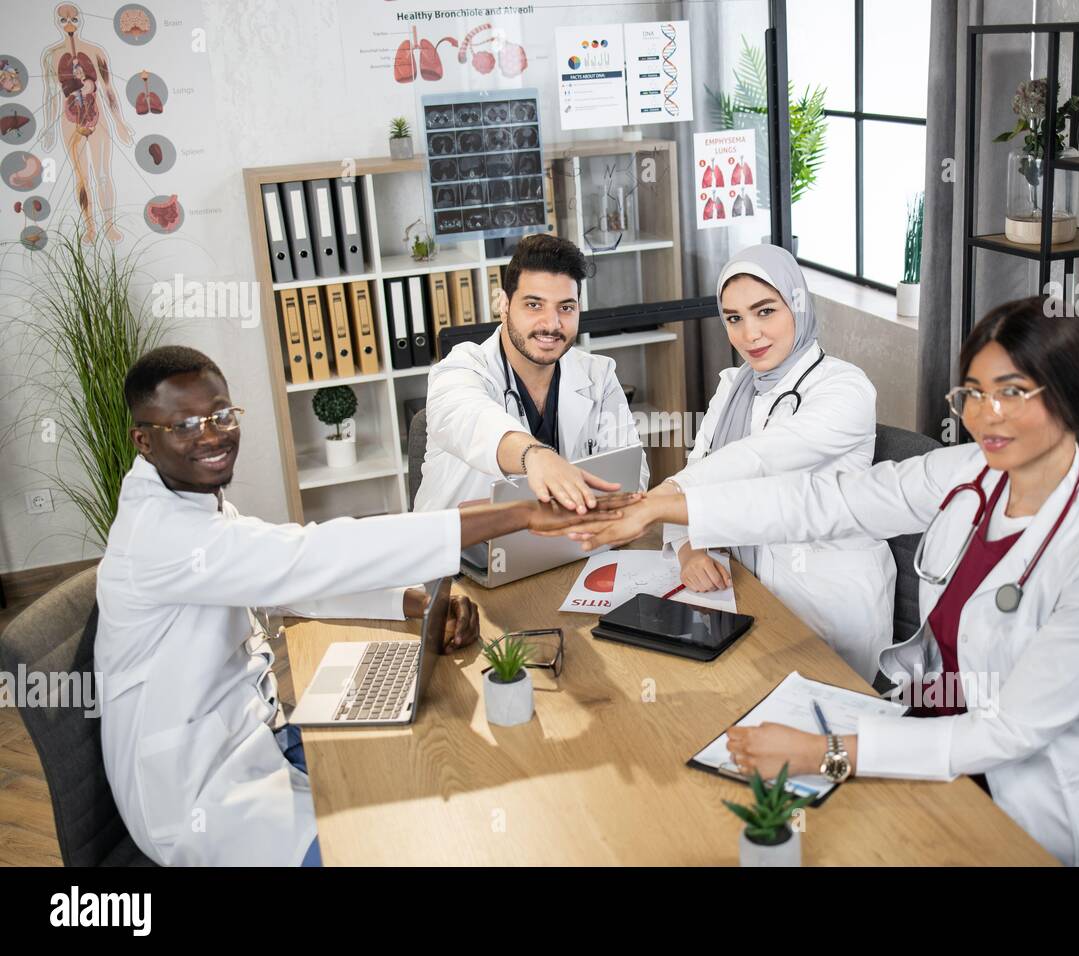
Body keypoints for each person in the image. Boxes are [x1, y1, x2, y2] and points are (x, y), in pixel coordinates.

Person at [555, 297, 1079, 866]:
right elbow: (830, 502)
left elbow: (1007, 732)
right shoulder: (972, 472)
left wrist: (826, 752)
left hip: (1056, 809)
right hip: (937, 749)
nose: (989, 416)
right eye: (975, 394)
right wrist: (669, 506)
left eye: (1012, 393)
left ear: (1069, 400)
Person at [96, 346, 628, 866]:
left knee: (426, 777)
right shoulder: (159, 535)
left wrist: (412, 603)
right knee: (383, 843)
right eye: (184, 426)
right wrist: (517, 515)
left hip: (259, 738)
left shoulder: (190, 501)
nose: (211, 436)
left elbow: (280, 581)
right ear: (143, 440)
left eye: (219, 415)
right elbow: (309, 558)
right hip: (201, 793)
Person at [648, 244, 893, 677]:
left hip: (827, 609)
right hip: (747, 595)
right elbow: (696, 470)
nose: (750, 335)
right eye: (734, 318)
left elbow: (759, 461)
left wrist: (661, 498)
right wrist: (690, 548)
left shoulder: (846, 390)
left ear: (797, 304)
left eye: (765, 311)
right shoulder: (734, 385)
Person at [412, 234, 648, 518]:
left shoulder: (599, 376)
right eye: (534, 305)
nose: (551, 323)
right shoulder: (460, 369)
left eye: (566, 307)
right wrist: (534, 456)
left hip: (571, 543)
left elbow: (630, 478)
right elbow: (472, 418)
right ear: (504, 304)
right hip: (464, 556)